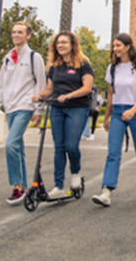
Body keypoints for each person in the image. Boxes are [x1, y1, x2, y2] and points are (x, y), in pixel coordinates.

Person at [92, 33, 136, 207]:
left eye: (118, 45)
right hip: (118, 112)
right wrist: (107, 117)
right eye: (114, 46)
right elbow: (111, 93)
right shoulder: (112, 68)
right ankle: (107, 191)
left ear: (128, 47)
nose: (115, 49)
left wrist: (133, 110)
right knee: (113, 152)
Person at [0, 21, 46, 205]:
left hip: (25, 106)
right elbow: (0, 84)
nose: (16, 35)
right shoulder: (7, 58)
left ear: (28, 35)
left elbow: (40, 83)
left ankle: (17, 187)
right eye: (14, 32)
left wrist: (38, 109)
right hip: (10, 107)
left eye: (20, 32)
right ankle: (23, 186)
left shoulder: (33, 57)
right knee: (18, 146)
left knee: (10, 144)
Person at [33, 31, 94, 199]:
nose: (60, 45)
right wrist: (40, 95)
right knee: (59, 147)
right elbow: (49, 90)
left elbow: (87, 88)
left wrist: (69, 96)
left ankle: (75, 174)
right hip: (57, 109)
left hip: (77, 108)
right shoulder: (54, 67)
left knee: (71, 146)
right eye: (58, 43)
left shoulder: (83, 64)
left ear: (72, 45)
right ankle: (58, 186)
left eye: (64, 42)